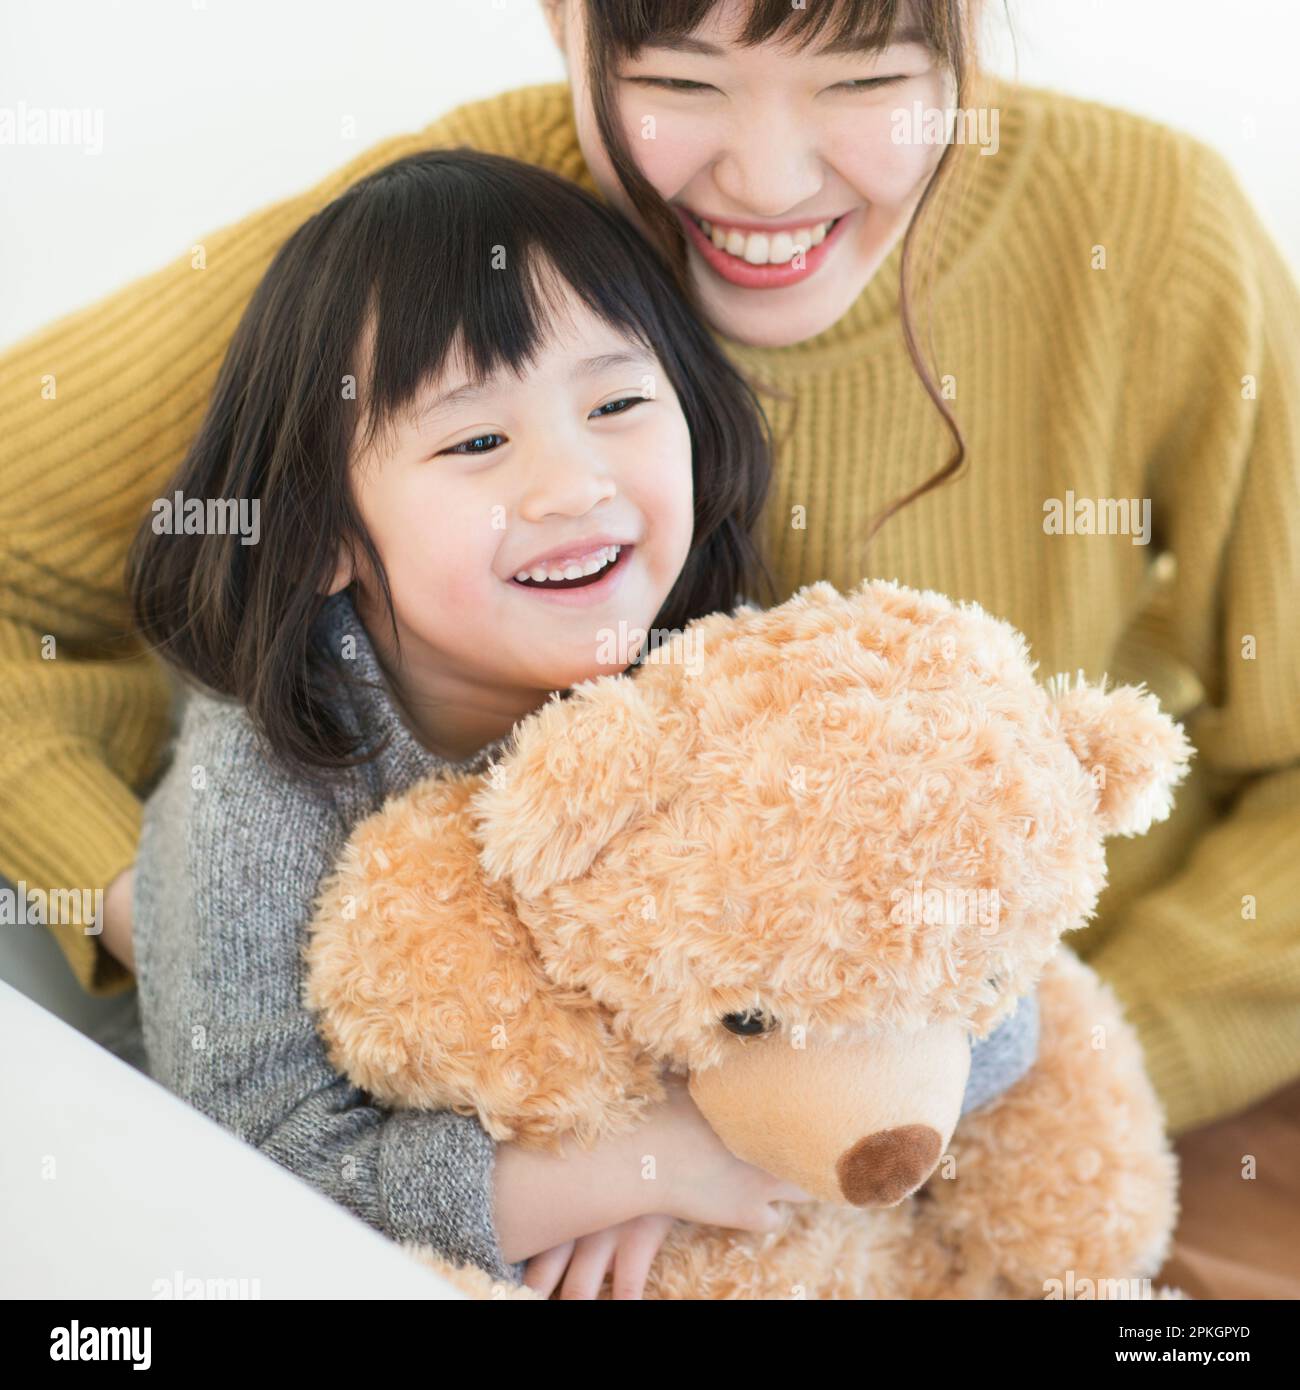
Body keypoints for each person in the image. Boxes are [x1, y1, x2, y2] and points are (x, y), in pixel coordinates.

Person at [3, 0, 1297, 1296]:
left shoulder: (1149, 232)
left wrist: (879, 1100)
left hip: (1053, 1082)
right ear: (566, 23)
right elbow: (262, 1133)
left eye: (863, 76)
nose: (770, 177)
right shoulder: (442, 256)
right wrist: (137, 894)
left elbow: (971, 985)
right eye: (682, 77)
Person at [119, 146, 1039, 1300]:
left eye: (615, 404)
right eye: (474, 442)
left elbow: (996, 1005)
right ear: (319, 536)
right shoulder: (263, 777)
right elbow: (246, 1155)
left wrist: (749, 1123)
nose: (573, 484)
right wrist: (628, 1167)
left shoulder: (738, 686)